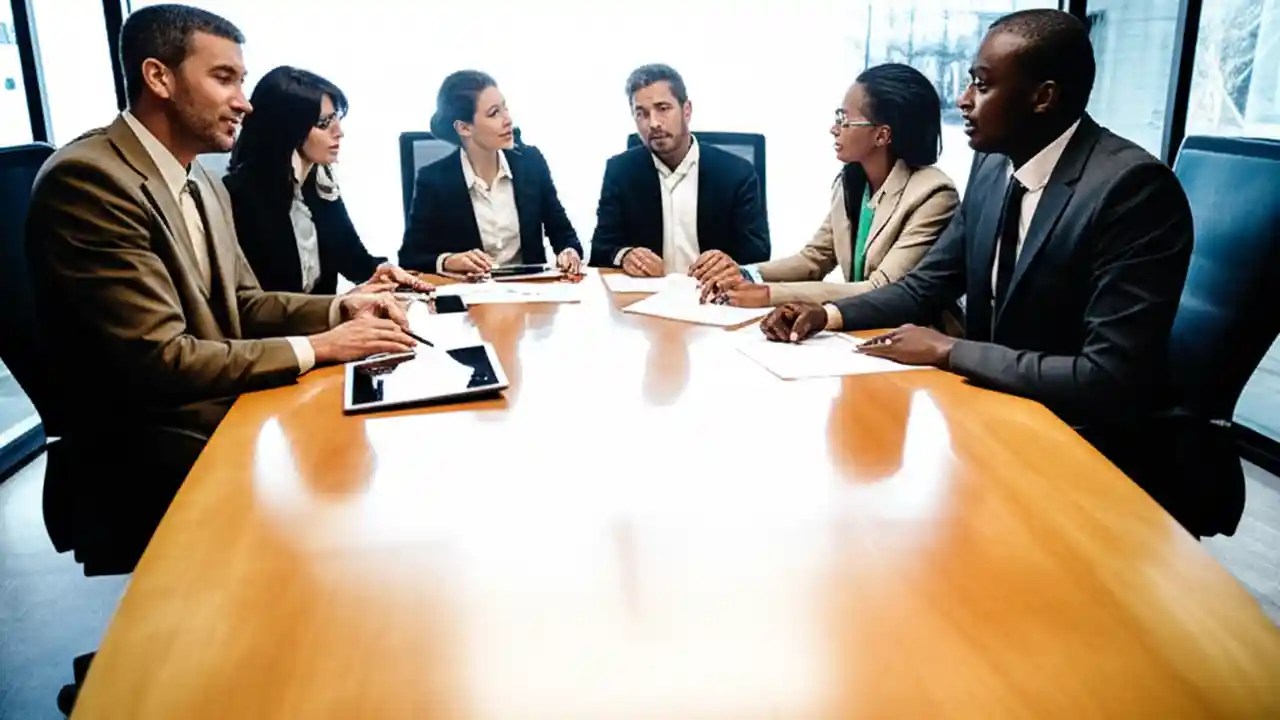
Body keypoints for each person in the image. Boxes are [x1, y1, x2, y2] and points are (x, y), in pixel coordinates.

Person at [760, 11, 1198, 520]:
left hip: (1082, 448)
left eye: (982, 85)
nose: (964, 100)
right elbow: (924, 286)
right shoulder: (993, 167)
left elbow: (1108, 377)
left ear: (1043, 97)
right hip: (993, 417)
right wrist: (827, 315)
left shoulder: (1132, 191)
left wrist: (950, 350)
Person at [25, 3, 421, 452]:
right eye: (223, 78)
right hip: (151, 446)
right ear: (159, 78)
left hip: (225, 413)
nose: (244, 103)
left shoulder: (202, 180)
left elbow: (244, 302)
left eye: (241, 81)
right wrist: (320, 346)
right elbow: (161, 358)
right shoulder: (90, 179)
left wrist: (340, 309)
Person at [695, 63, 958, 307]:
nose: (834, 128)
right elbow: (813, 259)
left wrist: (769, 294)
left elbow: (881, 289)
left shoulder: (933, 195)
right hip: (861, 326)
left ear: (882, 135)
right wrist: (744, 274)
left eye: (845, 120)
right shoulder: (851, 182)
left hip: (914, 332)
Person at [224, 65, 424, 295]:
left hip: (326, 316)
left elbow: (354, 261)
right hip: (287, 319)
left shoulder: (317, 184)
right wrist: (340, 305)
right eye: (323, 123)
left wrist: (385, 271)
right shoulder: (240, 197)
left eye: (336, 119)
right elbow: (264, 300)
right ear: (287, 129)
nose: (339, 132)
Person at [587, 63, 770, 276]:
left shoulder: (736, 173)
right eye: (641, 113)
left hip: (714, 291)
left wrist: (730, 264)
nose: (653, 123)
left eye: (663, 108)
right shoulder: (621, 171)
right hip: (648, 293)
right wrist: (625, 255)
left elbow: (758, 254)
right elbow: (600, 250)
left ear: (687, 110)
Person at [398, 70, 583, 277]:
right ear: (464, 128)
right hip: (471, 293)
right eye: (494, 113)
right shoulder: (434, 180)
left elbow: (563, 234)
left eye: (505, 108)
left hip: (530, 291)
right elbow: (409, 257)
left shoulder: (531, 163)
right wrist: (449, 261)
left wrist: (569, 251)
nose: (508, 120)